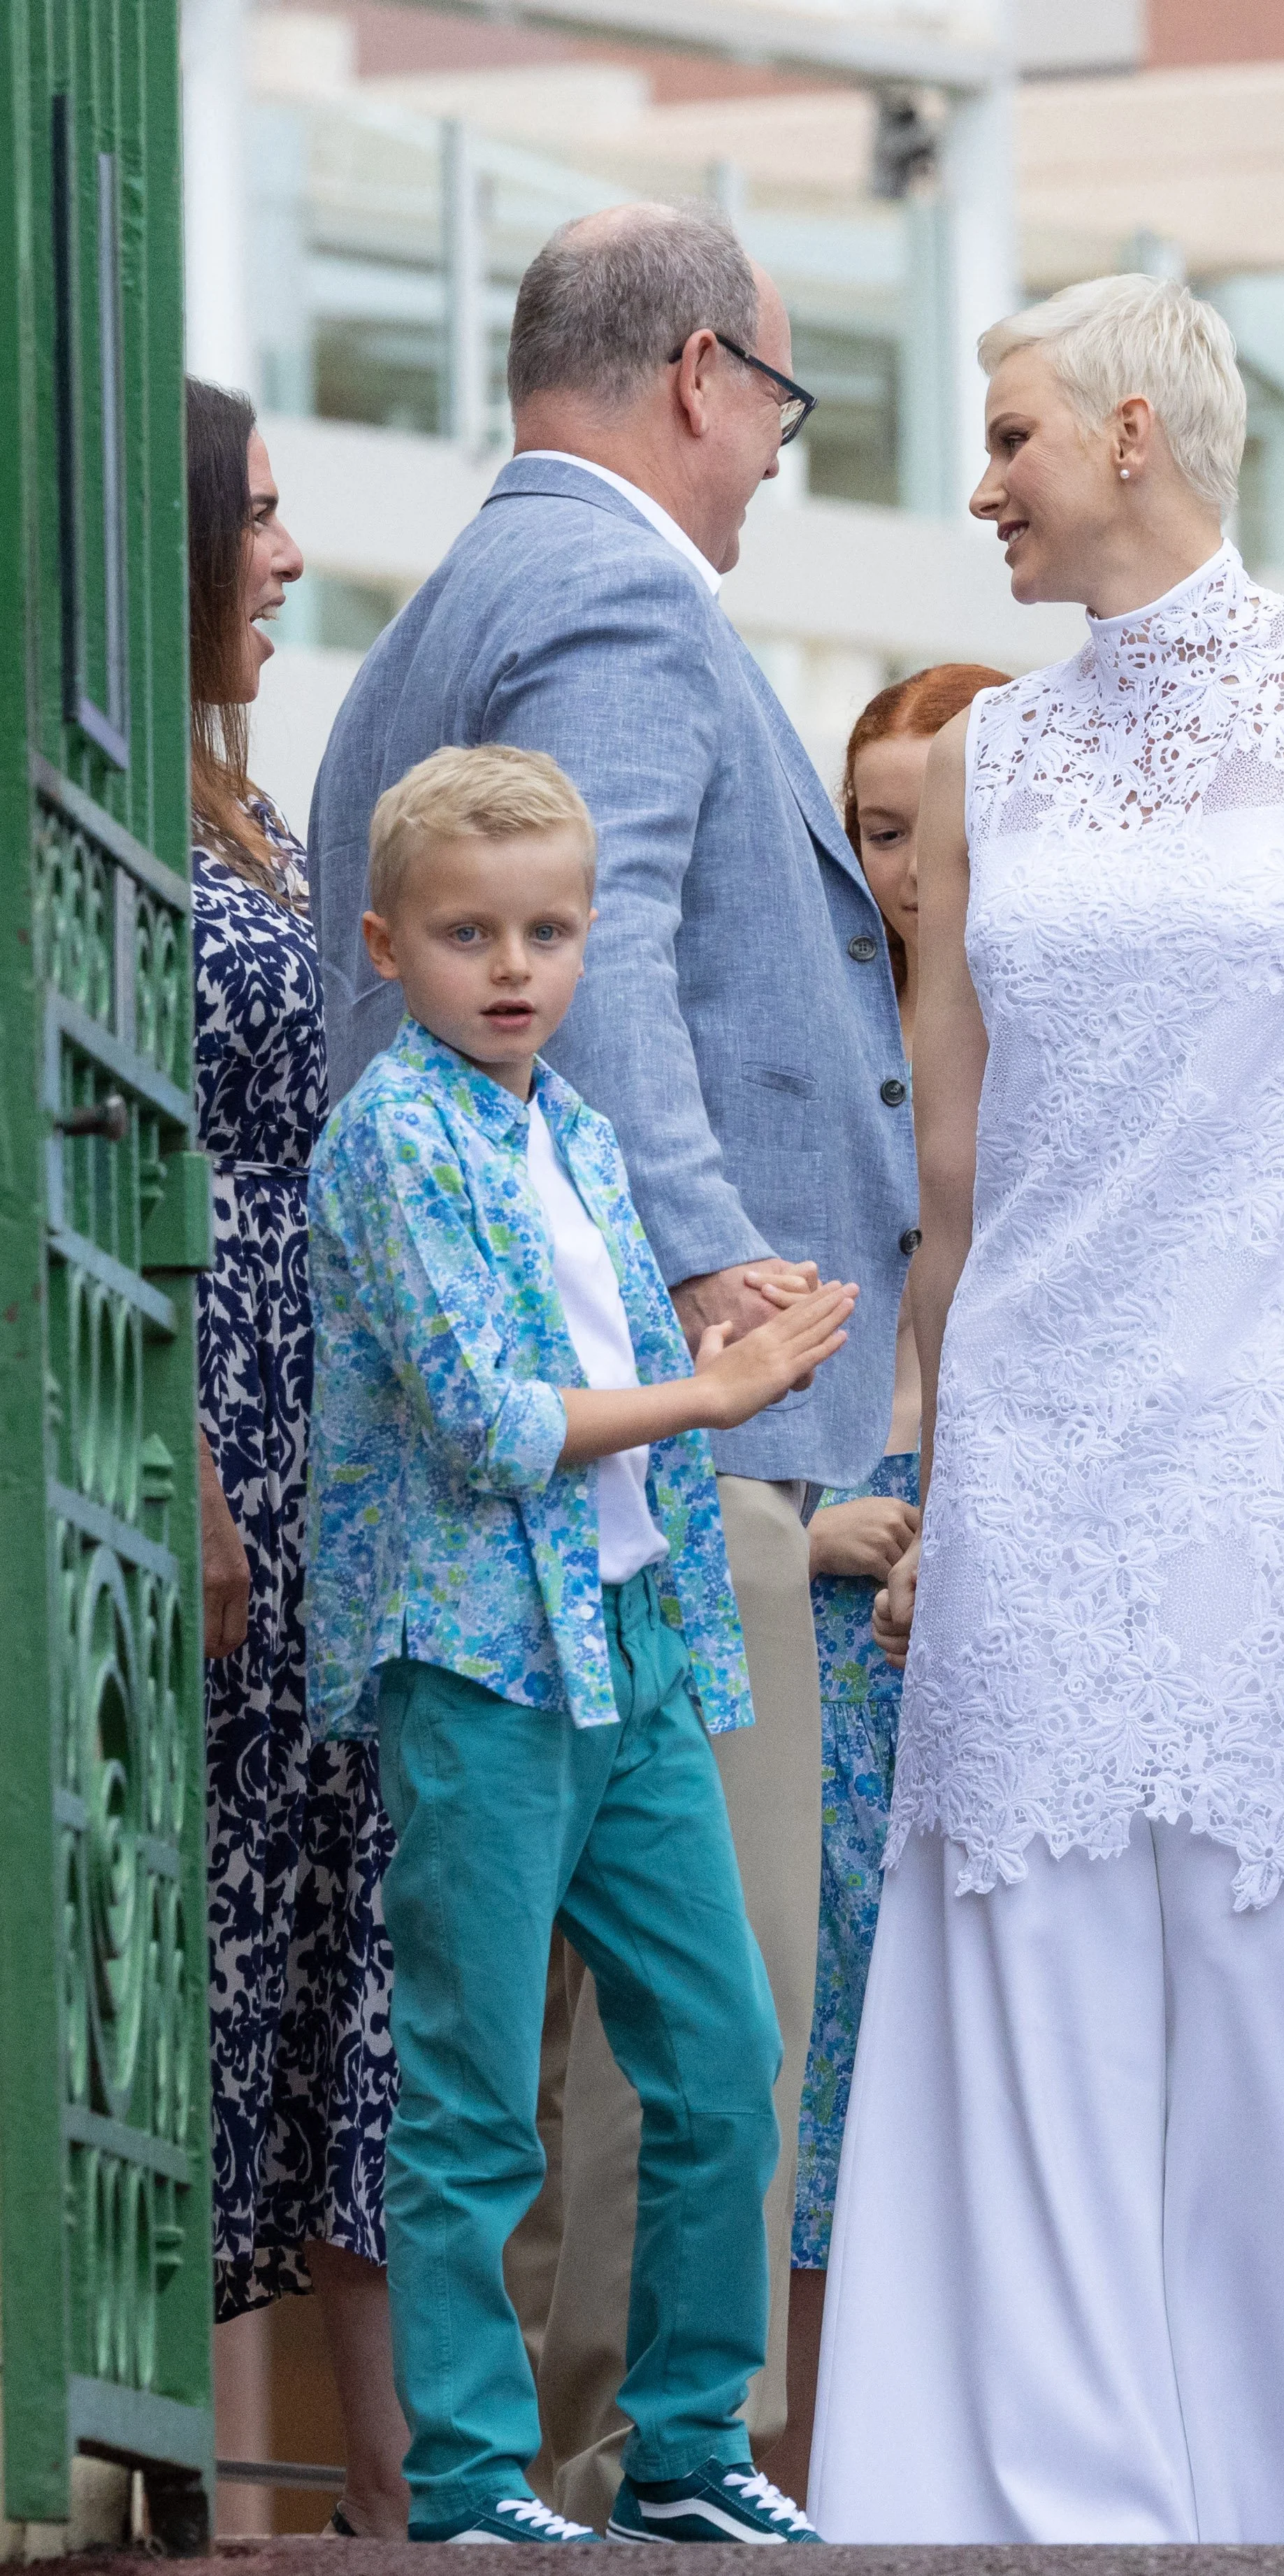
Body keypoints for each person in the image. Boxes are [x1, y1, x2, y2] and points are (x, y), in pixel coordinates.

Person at [809, 272, 1284, 2544]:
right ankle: (1048, 2513)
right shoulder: (985, 754)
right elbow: (951, 1167)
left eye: (1002, 436)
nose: (975, 482)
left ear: (1126, 433)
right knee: (1034, 1993)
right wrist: (922, 1459)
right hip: (1037, 1446)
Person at [307, 201, 916, 2524]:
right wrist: (715, 1291)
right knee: (659, 2034)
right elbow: (617, 951)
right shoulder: (625, 599)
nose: (768, 459)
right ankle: (612, 2469)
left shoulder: (456, 596)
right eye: (774, 405)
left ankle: (583, 2464)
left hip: (545, 1485)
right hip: (609, 1472)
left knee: (607, 2036)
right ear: (693, 377)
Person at [305, 742, 856, 2545]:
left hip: (623, 1640)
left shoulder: (574, 1128)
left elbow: (599, 1339)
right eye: (470, 934)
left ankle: (687, 2450)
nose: (516, 967)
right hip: (474, 1659)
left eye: (549, 929)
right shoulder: (391, 1136)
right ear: (389, 947)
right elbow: (488, 1421)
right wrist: (719, 1389)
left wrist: (722, 1304)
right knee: (475, 2090)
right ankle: (468, 2481)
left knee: (721, 2051)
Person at [185, 377, 407, 2538]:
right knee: (207, 1969)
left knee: (352, 1980)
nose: (289, 554)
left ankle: (394, 2510)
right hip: (218, 1450)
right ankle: (195, 2499)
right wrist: (188, 1466)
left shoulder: (252, 803)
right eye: (257, 515)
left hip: (338, 1455)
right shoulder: (77, 804)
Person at [775, 663, 1008, 2507]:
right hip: (830, 1556)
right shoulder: (814, 1023)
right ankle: (823, 2465)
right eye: (875, 828)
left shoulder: (1065, 1026)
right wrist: (823, 1511)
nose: (907, 870)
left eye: (936, 826)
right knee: (805, 2015)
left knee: (996, 2012)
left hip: (1010, 1557)